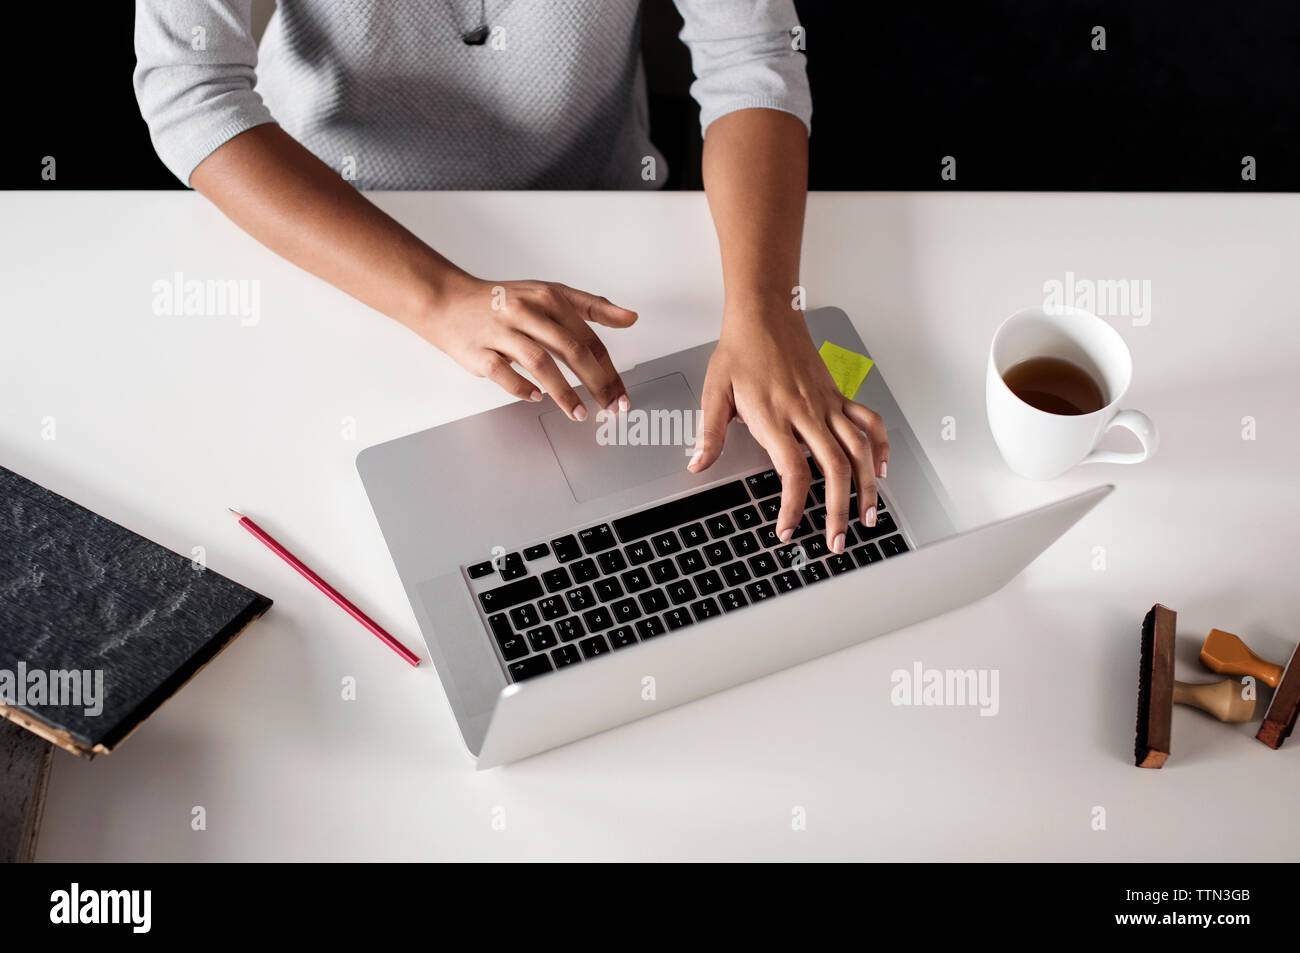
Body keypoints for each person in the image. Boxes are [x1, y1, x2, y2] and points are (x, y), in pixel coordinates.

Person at [133, 0, 889, 555]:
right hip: (332, 236)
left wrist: (765, 307)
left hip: (605, 226)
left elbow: (750, 58)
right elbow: (191, 91)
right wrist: (440, 299)